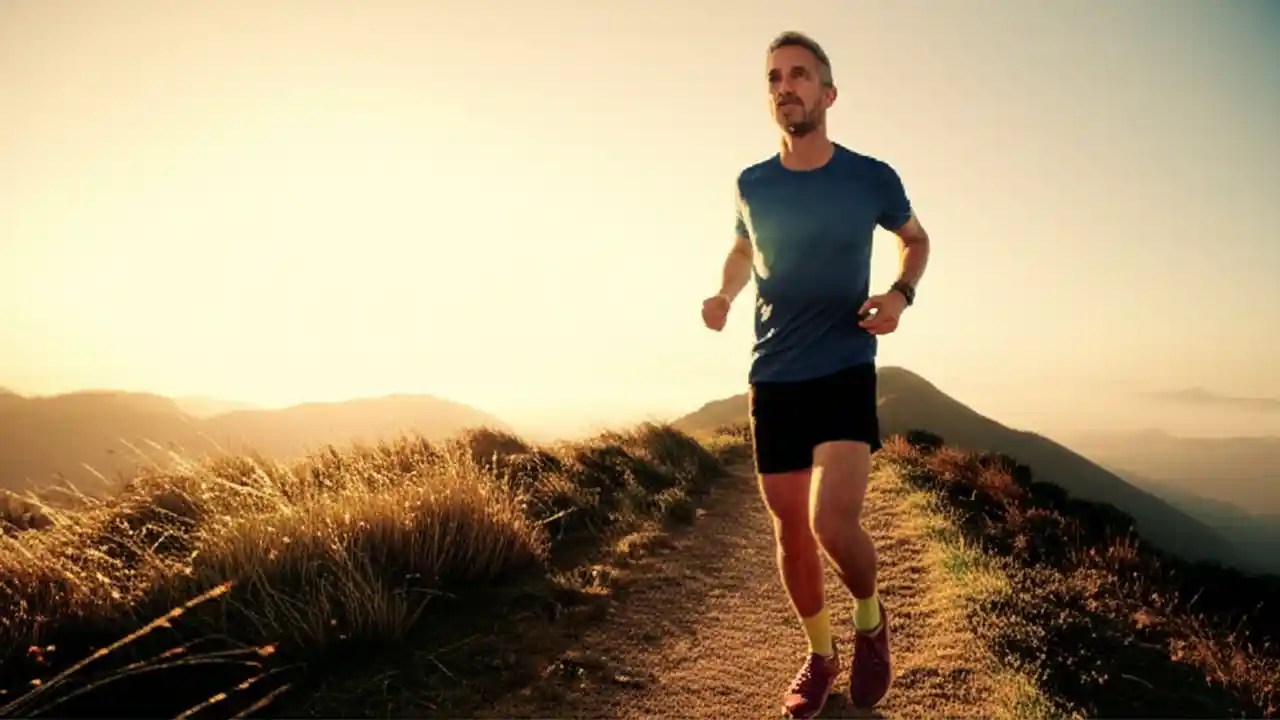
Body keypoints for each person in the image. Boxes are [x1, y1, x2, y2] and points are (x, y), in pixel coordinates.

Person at [701, 30, 932, 719]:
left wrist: (900, 295)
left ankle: (870, 620)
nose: (785, 87)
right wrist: (724, 293)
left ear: (828, 94)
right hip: (773, 376)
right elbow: (742, 251)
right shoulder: (752, 183)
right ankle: (821, 654)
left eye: (799, 75)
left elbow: (915, 239)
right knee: (791, 534)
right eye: (774, 78)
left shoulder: (870, 177)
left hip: (843, 364)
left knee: (830, 522)